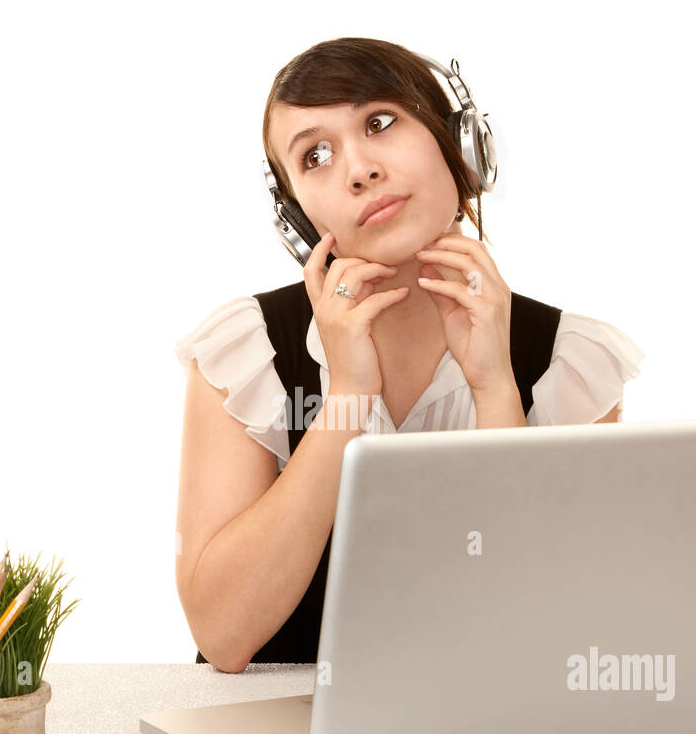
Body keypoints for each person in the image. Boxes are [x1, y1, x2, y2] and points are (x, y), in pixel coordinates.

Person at [173, 38, 645, 672]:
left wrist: (495, 390)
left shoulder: (569, 361)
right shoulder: (247, 350)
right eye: (315, 155)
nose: (359, 170)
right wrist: (345, 401)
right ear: (299, 220)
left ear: (462, 145)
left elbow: (548, 642)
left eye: (379, 122)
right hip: (280, 732)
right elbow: (224, 636)